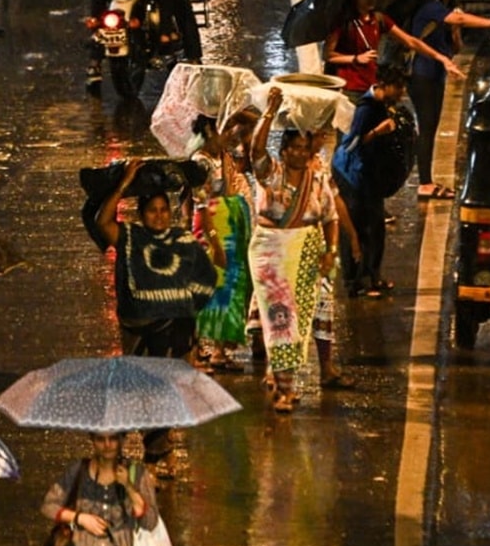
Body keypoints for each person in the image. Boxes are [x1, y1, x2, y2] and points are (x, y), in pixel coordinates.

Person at [92, 158, 217, 463]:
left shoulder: (179, 240)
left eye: (164, 210)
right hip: (138, 326)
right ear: (141, 213)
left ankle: (158, 453)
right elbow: (102, 222)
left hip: (172, 328)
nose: (159, 216)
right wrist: (123, 185)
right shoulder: (129, 237)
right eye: (152, 211)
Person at [248, 88, 340, 413]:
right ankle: (284, 390)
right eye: (294, 148)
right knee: (280, 319)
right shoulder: (271, 174)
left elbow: (331, 218)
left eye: (304, 147)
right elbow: (255, 150)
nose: (300, 154)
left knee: (297, 324)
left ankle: (282, 378)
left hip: (305, 253)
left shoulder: (317, 180)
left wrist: (331, 251)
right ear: (283, 152)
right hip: (272, 255)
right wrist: (269, 111)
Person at [408, 0, 490, 198]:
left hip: (436, 75)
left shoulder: (445, 11)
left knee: (432, 127)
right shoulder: (431, 7)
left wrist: (455, 31)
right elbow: (458, 17)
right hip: (422, 74)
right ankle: (425, 182)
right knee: (426, 127)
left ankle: (428, 180)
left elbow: (455, 48)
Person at [333, 66, 408, 300]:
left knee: (376, 228)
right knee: (356, 228)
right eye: (398, 87)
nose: (402, 92)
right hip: (353, 177)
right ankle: (354, 282)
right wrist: (376, 132)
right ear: (384, 85)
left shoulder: (385, 105)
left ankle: (374, 275)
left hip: (371, 177)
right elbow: (351, 145)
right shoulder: (366, 110)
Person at [192, 111, 258, 374]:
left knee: (229, 289)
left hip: (229, 226)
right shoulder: (200, 162)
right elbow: (201, 204)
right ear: (210, 130)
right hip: (211, 228)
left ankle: (218, 348)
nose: (231, 134)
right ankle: (207, 349)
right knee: (214, 288)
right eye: (226, 127)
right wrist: (214, 242)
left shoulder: (224, 158)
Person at [322, 0, 460, 94]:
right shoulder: (344, 22)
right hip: (349, 87)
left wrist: (441, 58)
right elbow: (328, 55)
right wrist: (356, 59)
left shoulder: (379, 19)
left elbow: (410, 41)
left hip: (371, 85)